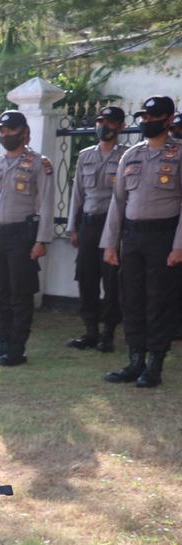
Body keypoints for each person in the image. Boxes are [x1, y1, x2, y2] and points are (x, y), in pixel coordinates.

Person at [101, 96, 182, 388]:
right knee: (132, 300)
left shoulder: (179, 153)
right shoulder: (131, 155)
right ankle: (135, 361)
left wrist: (179, 245)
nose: (147, 122)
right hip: (132, 237)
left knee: (158, 301)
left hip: (164, 237)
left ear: (168, 119)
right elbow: (118, 202)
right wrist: (110, 243)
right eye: (144, 117)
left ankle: (154, 365)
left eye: (153, 117)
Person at [0, 110, 54, 367]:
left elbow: (46, 203)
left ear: (24, 132)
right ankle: (3, 345)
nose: (5, 135)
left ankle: (17, 349)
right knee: (0, 293)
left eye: (10, 130)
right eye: (2, 131)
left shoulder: (39, 164)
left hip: (22, 236)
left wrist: (41, 240)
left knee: (20, 294)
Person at [67, 106, 128, 353]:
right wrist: (73, 227)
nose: (104, 126)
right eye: (101, 122)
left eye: (110, 122)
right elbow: (77, 194)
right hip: (89, 224)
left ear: (121, 127)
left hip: (113, 226)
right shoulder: (85, 156)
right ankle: (91, 331)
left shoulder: (127, 156)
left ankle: (108, 333)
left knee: (112, 281)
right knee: (86, 277)